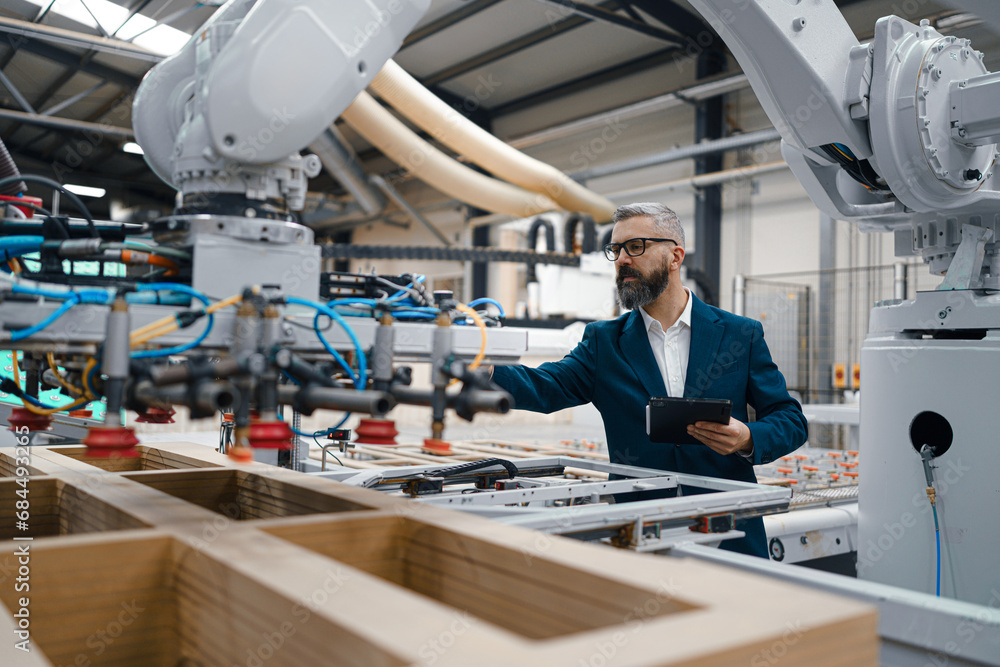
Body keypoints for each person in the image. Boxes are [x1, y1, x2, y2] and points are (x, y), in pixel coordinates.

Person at [492, 202, 808, 558]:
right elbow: (545, 386)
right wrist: (484, 368)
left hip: (729, 531)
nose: (623, 259)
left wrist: (747, 438)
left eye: (636, 246)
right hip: (638, 534)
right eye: (616, 250)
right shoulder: (603, 342)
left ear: (675, 257)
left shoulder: (740, 334)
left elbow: (790, 419)